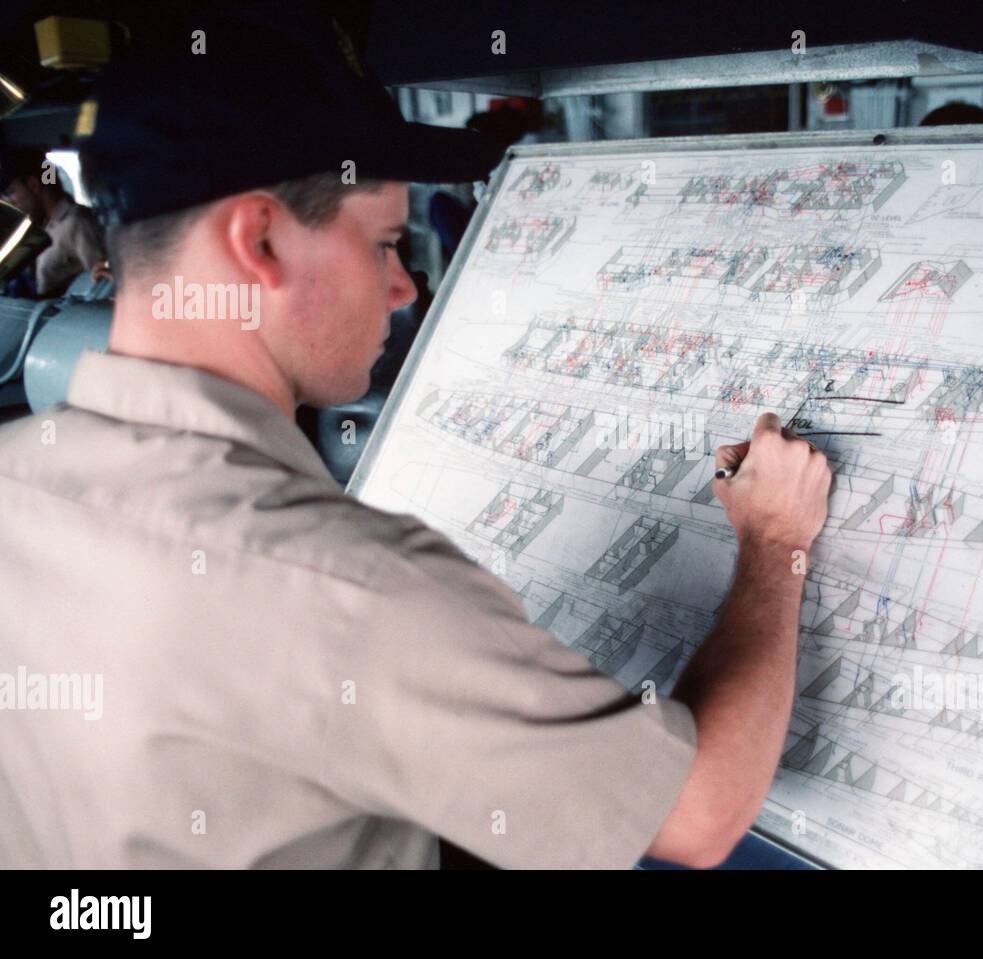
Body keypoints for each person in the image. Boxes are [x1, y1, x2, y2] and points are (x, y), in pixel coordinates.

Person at [0, 3, 832, 870]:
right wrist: (775, 541)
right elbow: (699, 814)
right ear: (260, 240)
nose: (403, 289)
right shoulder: (352, 593)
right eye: (385, 244)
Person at [0, 145, 108, 295]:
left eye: (10, 192)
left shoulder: (77, 223)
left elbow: (104, 286)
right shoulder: (39, 226)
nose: (8, 201)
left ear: (33, 185)